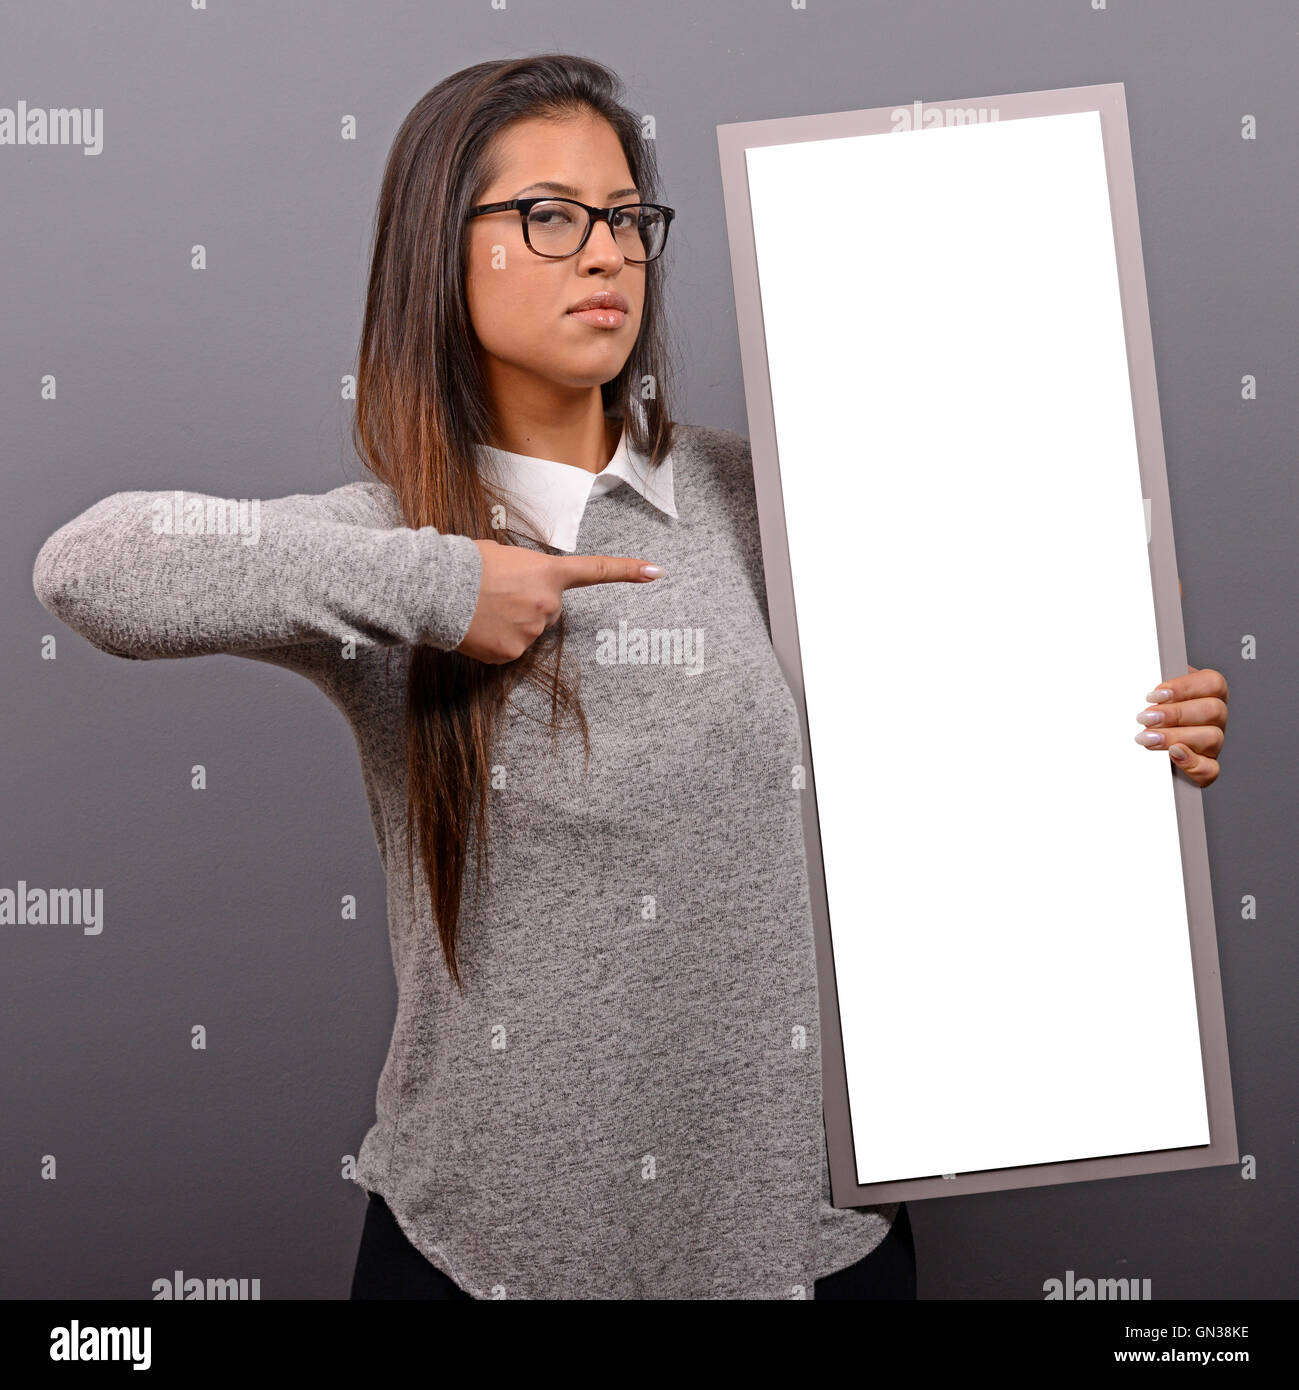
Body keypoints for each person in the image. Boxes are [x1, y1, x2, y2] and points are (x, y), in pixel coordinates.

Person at [31, 53, 1228, 1300]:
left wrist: (1136, 722)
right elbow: (94, 565)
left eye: (624, 219)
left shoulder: (778, 493)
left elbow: (948, 760)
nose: (603, 253)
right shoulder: (389, 545)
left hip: (807, 1250)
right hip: (494, 1259)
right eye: (548, 216)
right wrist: (449, 585)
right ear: (445, 251)